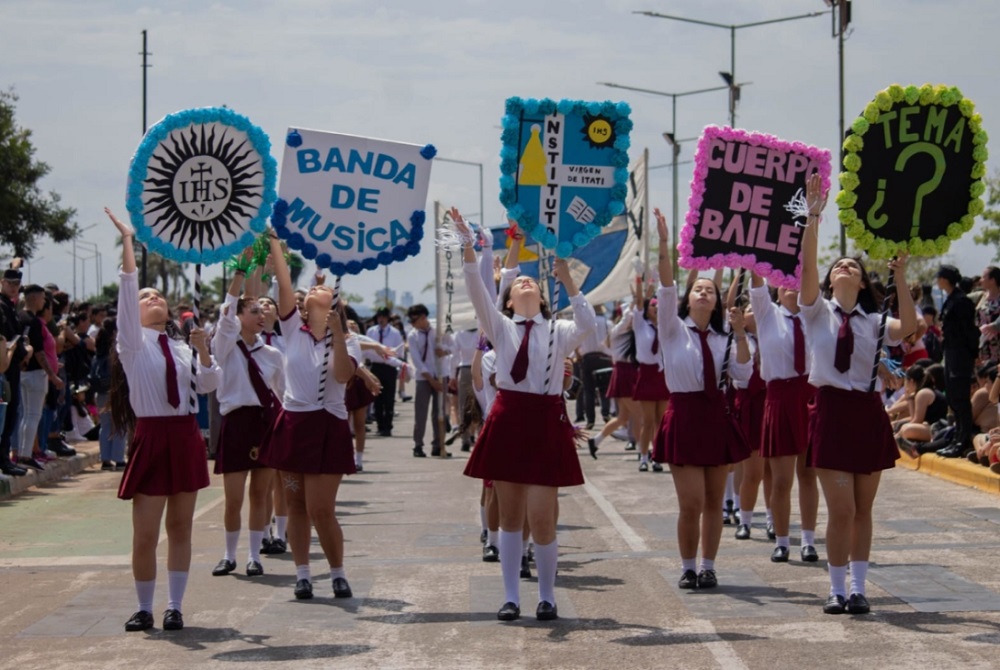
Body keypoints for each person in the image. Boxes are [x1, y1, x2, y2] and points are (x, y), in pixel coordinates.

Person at [455, 208, 596, 622]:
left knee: (542, 516)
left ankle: (547, 596)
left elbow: (588, 323)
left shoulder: (558, 331)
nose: (525, 281)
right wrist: (468, 246)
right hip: (509, 419)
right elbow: (476, 288)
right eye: (517, 282)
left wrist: (569, 281)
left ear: (543, 298)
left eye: (531, 280)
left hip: (545, 422)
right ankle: (511, 597)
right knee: (511, 517)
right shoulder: (500, 328)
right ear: (509, 300)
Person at [797, 174, 915, 615]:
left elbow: (910, 327)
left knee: (864, 509)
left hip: (867, 412)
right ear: (830, 281)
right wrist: (813, 217)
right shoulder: (816, 312)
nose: (844, 267)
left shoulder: (875, 321)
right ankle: (835, 588)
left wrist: (900, 278)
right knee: (842, 509)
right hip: (830, 411)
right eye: (838, 266)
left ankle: (859, 587)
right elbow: (807, 268)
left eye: (853, 266)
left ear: (864, 282)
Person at [105, 208, 221, 633]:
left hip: (185, 435)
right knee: (145, 533)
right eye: (145, 297)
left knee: (181, 527)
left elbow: (208, 385)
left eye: (158, 295)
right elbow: (127, 290)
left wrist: (203, 351)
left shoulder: (183, 346)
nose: (153, 298)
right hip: (153, 435)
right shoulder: (133, 344)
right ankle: (144, 607)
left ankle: (174, 606)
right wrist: (128, 242)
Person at [650, 209, 752, 590]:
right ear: (688, 298)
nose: (704, 292)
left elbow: (743, 375)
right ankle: (688, 566)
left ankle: (708, 566)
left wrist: (740, 335)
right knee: (690, 502)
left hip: (716, 418)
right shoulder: (673, 330)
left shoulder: (725, 337)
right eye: (698, 289)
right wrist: (664, 243)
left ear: (718, 300)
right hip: (685, 416)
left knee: (713, 502)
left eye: (710, 290)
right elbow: (665, 285)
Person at [257, 231, 361, 602]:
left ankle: (337, 572)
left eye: (325, 289)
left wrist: (338, 335)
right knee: (296, 506)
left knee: (321, 509)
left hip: (328, 425)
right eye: (315, 288)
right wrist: (275, 242)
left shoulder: (347, 341)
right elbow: (285, 283)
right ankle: (302, 574)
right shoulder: (292, 329)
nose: (318, 288)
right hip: (294, 425)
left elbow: (343, 377)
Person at [210, 267, 284, 579]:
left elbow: (281, 394)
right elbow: (226, 311)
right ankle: (229, 556)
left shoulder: (272, 354)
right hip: (236, 422)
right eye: (253, 311)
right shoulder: (225, 346)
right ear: (238, 316)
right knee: (233, 498)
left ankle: (254, 556)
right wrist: (241, 273)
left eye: (262, 312)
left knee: (260, 494)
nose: (260, 316)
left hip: (264, 423)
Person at [748, 272, 821, 563]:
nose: (791, 286)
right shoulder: (767, 314)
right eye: (785, 282)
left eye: (797, 282)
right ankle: (781, 540)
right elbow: (756, 280)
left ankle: (808, 540)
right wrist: (755, 253)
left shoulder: (815, 315)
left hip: (810, 395)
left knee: (808, 474)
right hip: (780, 397)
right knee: (781, 479)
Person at [935, 264, 979, 458]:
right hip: (951, 353)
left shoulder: (961, 301)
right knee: (953, 397)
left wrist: (971, 355)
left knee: (960, 398)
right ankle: (956, 438)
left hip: (960, 354)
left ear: (945, 279)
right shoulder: (951, 299)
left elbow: (969, 332)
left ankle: (963, 440)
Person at [632, 281, 668, 473]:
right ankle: (644, 456)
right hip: (646, 374)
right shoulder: (640, 324)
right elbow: (639, 302)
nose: (656, 308)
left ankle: (657, 456)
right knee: (647, 420)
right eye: (653, 305)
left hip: (662, 374)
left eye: (658, 305)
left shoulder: (665, 326)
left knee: (660, 421)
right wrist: (639, 280)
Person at [407, 304, 447, 458]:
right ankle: (418, 444)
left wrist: (444, 351)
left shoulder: (438, 329)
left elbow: (453, 345)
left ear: (423, 317)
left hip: (440, 374)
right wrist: (431, 380)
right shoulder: (413, 335)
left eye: (414, 320)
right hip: (423, 377)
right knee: (421, 413)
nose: (412, 324)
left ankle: (438, 444)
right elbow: (416, 360)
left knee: (439, 412)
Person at [366, 307, 403, 436]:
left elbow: (399, 352)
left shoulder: (395, 333)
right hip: (376, 366)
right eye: (379, 317)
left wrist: (389, 356)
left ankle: (388, 426)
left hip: (389, 367)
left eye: (383, 317)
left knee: (389, 398)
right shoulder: (371, 331)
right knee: (377, 398)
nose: (381, 319)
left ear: (388, 318)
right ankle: (380, 425)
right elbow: (366, 349)